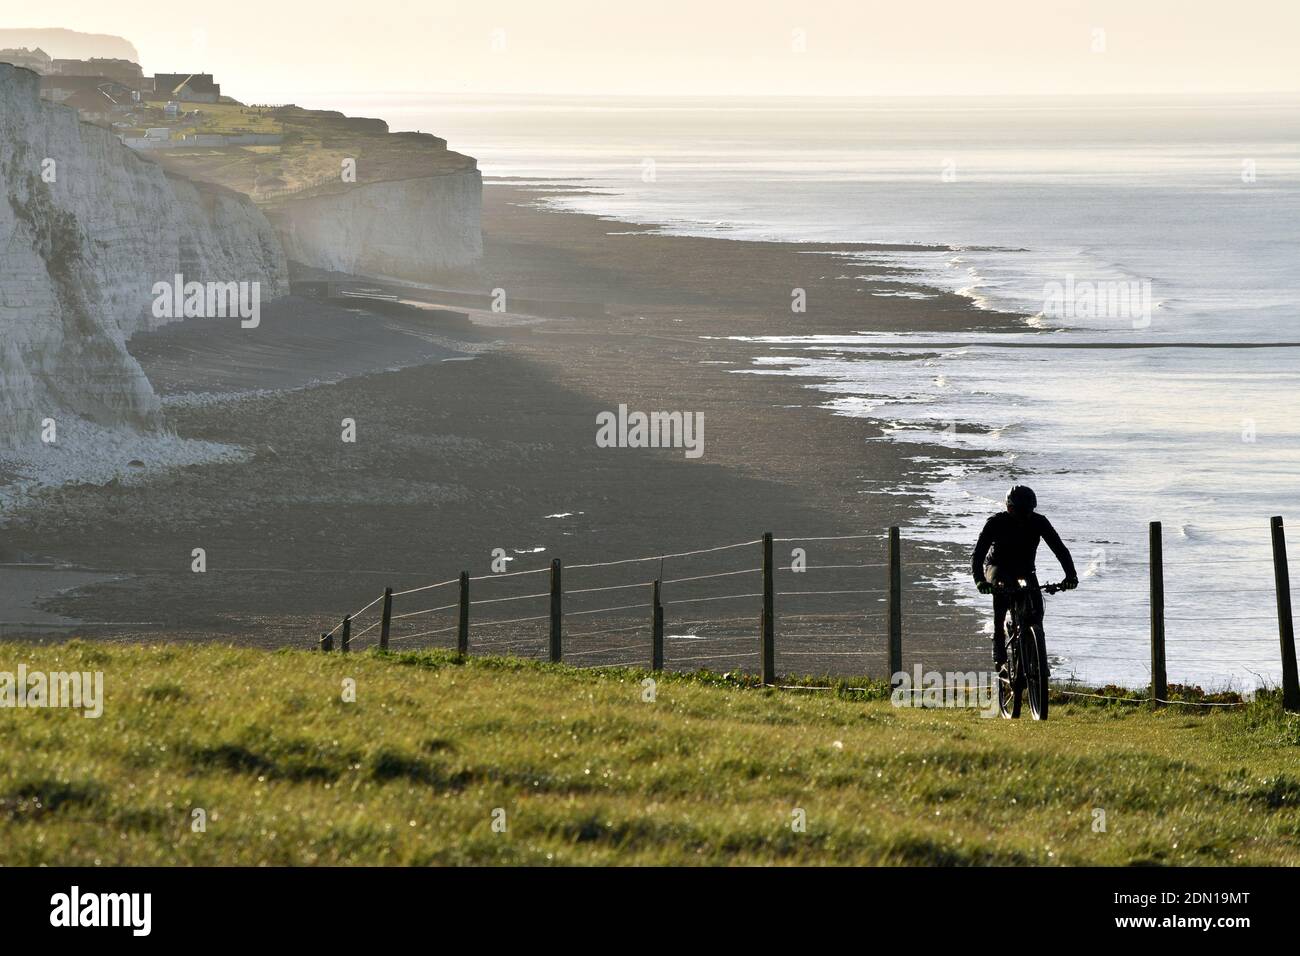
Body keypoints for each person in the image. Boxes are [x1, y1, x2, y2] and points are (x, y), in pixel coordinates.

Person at [971, 485, 1078, 673]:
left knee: (1036, 610)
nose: (1025, 516)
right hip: (998, 567)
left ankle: (1036, 655)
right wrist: (980, 580)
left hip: (1026, 570)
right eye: (1020, 512)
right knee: (1001, 593)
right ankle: (998, 643)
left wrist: (1071, 575)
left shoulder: (1039, 522)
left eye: (1029, 512)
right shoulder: (995, 522)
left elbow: (1060, 549)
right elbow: (978, 555)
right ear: (1009, 508)